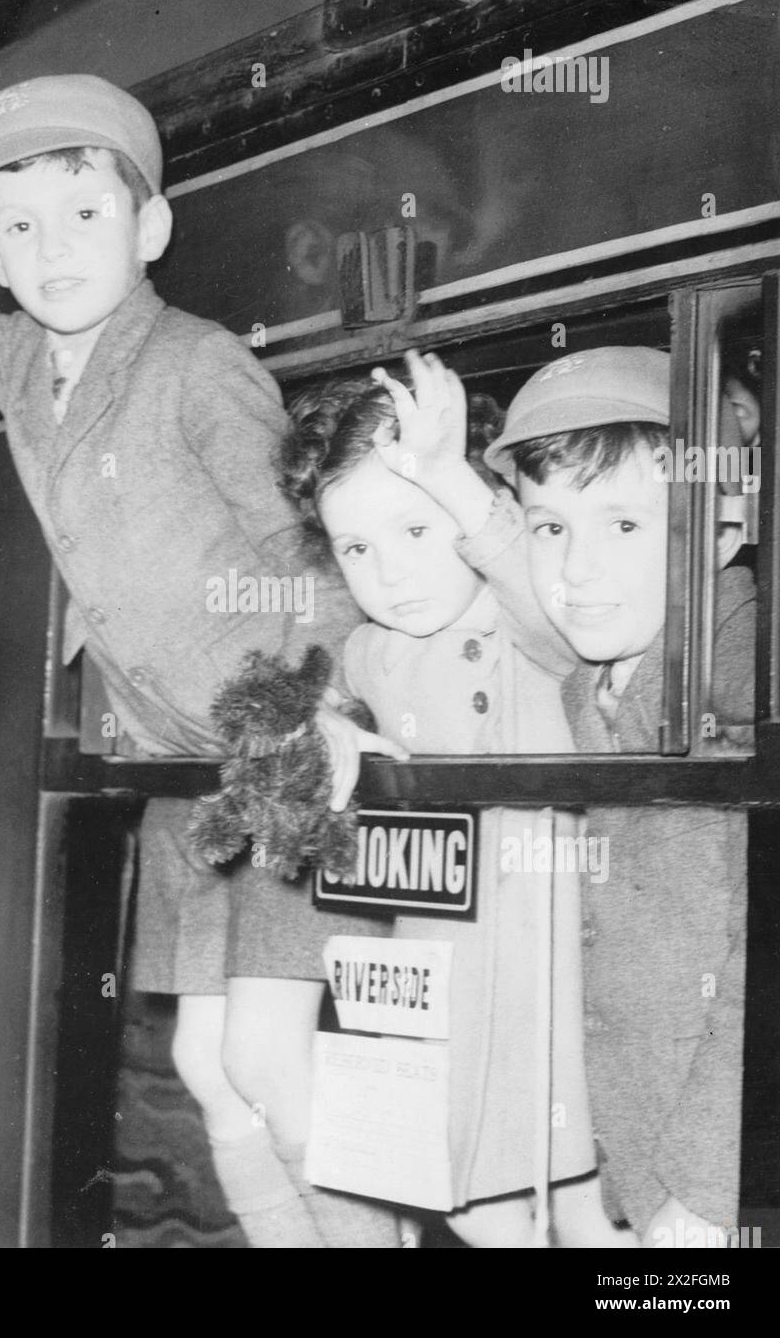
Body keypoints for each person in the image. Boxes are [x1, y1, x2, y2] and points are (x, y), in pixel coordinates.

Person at [0, 0, 408, 1248]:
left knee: (273, 1066)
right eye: (21, 227)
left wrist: (326, 707)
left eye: (87, 214)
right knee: (213, 1079)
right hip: (180, 775)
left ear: (150, 226)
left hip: (275, 759)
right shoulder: (19, 366)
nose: (55, 250)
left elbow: (305, 553)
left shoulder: (198, 362)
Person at [279, 349, 626, 1246]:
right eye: (356, 547)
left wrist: (446, 477)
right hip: (443, 980)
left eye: (416, 530)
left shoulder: (532, 626)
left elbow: (538, 592)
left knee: (595, 1216)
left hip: (559, 975)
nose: (387, 574)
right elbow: (307, 694)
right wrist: (323, 729)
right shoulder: (373, 651)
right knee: (479, 1213)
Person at [483, 345, 755, 1246]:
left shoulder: (743, 675)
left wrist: (711, 1192)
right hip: (640, 1166)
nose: (578, 570)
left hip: (723, 1180)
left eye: (625, 527)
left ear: (721, 532)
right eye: (549, 527)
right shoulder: (596, 675)